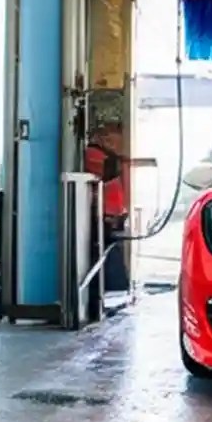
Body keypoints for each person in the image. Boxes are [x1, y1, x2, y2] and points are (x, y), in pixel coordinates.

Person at [84, 122, 131, 296]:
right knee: (109, 261)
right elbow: (109, 169)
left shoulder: (107, 156)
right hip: (103, 218)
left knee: (113, 257)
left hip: (114, 216)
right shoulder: (94, 155)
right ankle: (112, 293)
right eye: (113, 139)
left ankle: (117, 293)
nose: (118, 144)